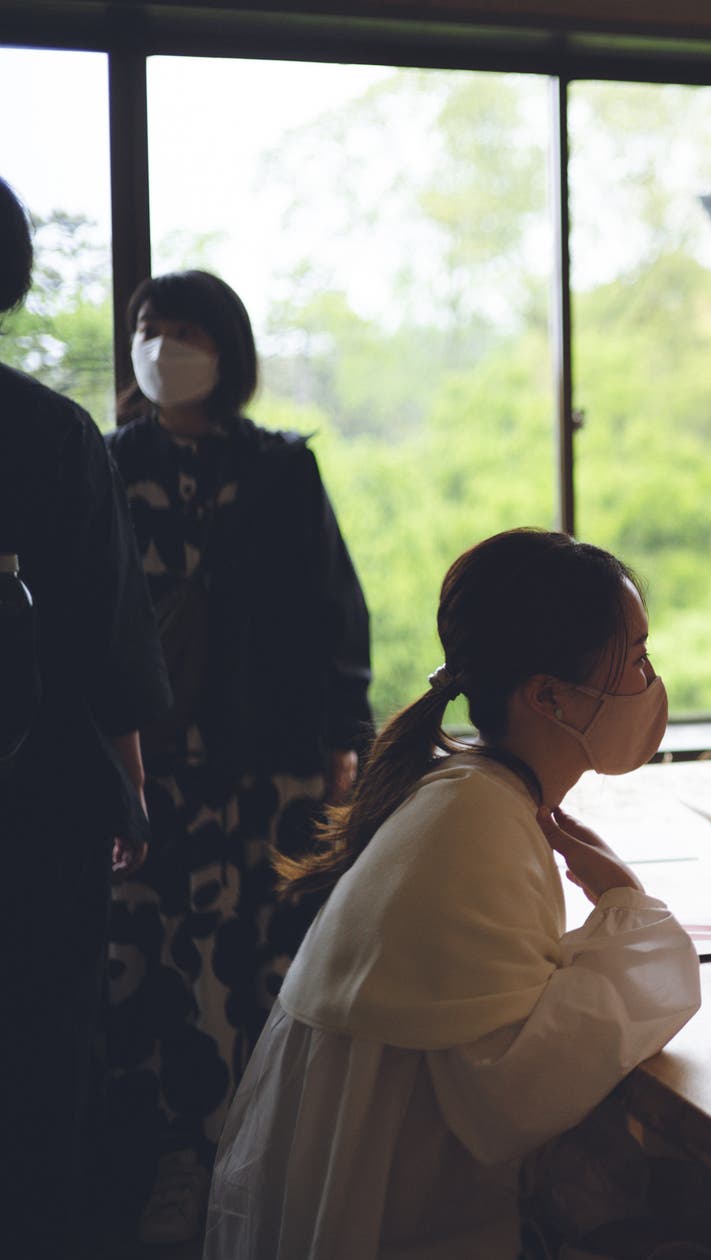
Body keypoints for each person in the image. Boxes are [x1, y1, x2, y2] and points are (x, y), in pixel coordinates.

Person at [204, 527, 702, 1259]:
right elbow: (517, 1097)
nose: (649, 682)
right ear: (549, 698)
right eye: (634, 660)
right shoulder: (477, 822)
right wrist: (629, 909)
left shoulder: (473, 796)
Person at [101, 269, 374, 1242]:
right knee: (160, 964)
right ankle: (179, 1163)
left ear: (229, 350)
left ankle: (272, 1165)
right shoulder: (105, 464)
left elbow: (334, 609)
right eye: (149, 327)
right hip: (150, 769)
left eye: (186, 329)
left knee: (271, 958)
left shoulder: (278, 469)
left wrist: (347, 736)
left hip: (269, 760)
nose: (165, 346)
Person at [0, 175, 172, 1253]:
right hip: (42, 801)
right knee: (38, 1061)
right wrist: (133, 789)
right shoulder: (51, 433)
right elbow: (111, 640)